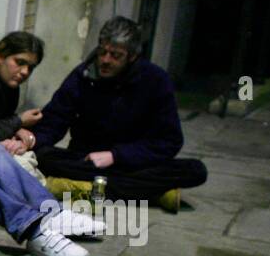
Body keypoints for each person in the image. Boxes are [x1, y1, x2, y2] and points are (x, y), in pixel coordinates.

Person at [0, 32, 103, 256]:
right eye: (19, 62)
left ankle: (51, 213)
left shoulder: (5, 85)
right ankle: (35, 229)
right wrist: (18, 122)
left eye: (30, 67)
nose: (24, 72)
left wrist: (16, 130)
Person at [32, 16, 207, 212]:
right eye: (102, 52)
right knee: (41, 156)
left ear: (132, 56)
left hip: (131, 162)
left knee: (195, 170)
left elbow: (169, 141)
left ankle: (86, 190)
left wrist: (116, 155)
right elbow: (55, 118)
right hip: (86, 161)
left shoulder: (155, 80)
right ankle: (151, 192)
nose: (105, 60)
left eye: (115, 55)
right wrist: (31, 140)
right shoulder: (84, 75)